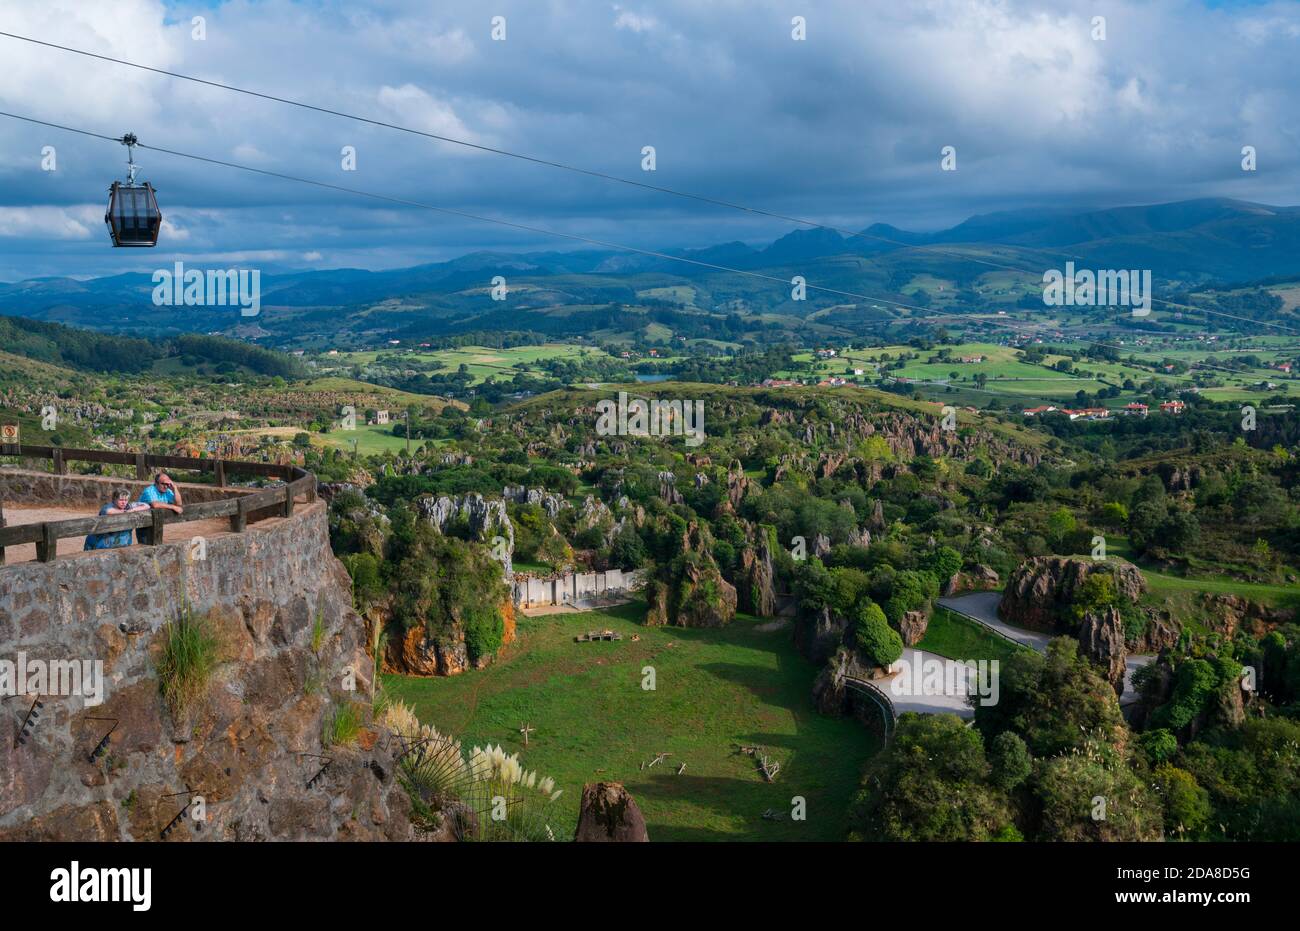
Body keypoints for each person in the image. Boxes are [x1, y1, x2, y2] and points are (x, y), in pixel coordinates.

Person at [83, 487, 149, 550]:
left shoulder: (128, 506)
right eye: (121, 500)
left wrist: (132, 510)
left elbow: (146, 506)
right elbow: (107, 511)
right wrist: (125, 512)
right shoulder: (109, 506)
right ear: (114, 499)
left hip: (120, 545)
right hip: (99, 544)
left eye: (126, 500)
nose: (124, 502)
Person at [136, 472, 184, 544]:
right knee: (145, 547)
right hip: (144, 524)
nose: (166, 486)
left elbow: (179, 503)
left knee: (157, 546)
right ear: (156, 483)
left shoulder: (167, 491)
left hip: (156, 523)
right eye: (163, 484)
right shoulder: (149, 490)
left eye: (168, 484)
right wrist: (173, 507)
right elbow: (155, 505)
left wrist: (175, 488)